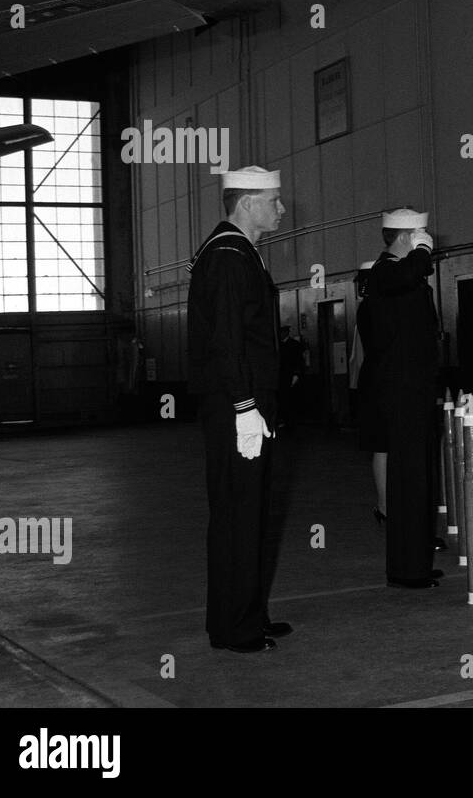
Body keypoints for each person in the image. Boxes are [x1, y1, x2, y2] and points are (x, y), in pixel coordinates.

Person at [186, 164, 292, 654]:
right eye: (274, 201)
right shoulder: (228, 257)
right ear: (248, 202)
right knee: (236, 513)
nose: (282, 209)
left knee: (250, 512)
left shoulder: (238, 252)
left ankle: (249, 613)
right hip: (238, 408)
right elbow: (227, 341)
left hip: (246, 405)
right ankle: (234, 627)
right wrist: (246, 407)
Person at [365, 208, 441, 589]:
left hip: (414, 389)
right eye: (422, 233)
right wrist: (422, 252)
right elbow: (408, 274)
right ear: (406, 237)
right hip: (401, 391)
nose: (430, 237)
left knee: (416, 478)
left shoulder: (400, 274)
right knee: (407, 479)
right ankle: (407, 569)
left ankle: (416, 559)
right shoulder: (385, 272)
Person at [349, 260, 388, 525]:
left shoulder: (366, 308)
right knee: (385, 447)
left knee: (382, 448)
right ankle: (386, 506)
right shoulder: (378, 308)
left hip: (372, 381)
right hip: (383, 382)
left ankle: (385, 506)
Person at [277, 326, 305, 428]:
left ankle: (291, 420)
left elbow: (299, 361)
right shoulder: (280, 345)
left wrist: (296, 374)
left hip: (290, 375)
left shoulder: (294, 345)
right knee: (284, 398)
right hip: (283, 376)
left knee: (291, 398)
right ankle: (287, 420)